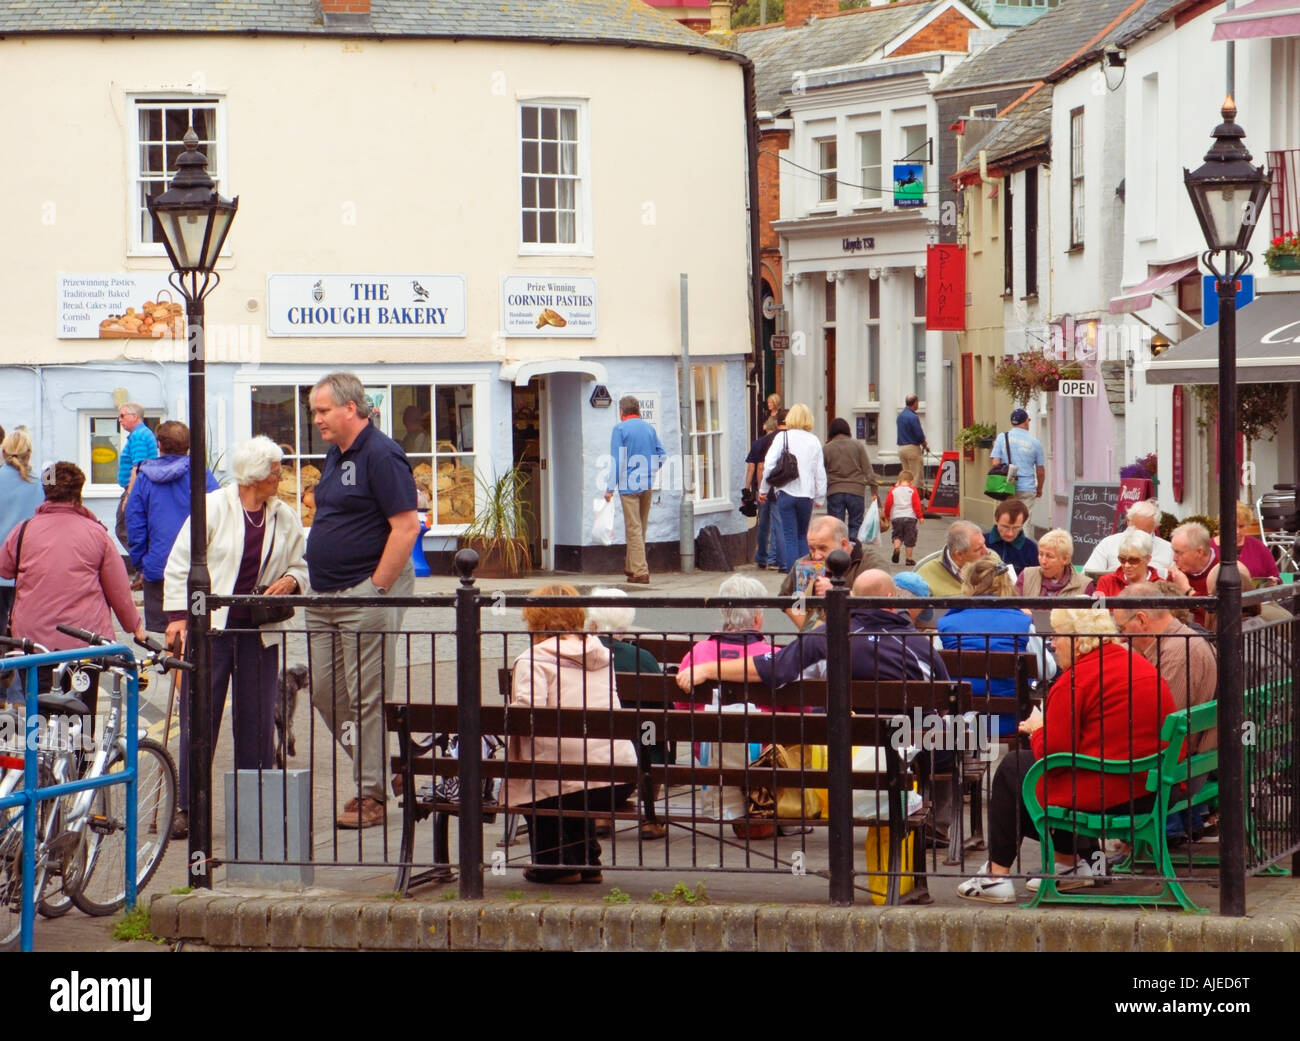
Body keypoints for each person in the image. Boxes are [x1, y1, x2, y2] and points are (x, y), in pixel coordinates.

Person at [956, 608, 1174, 903]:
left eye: (1058, 635)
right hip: (1150, 786)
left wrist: (1037, 729)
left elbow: (1052, 755)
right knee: (1036, 774)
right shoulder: (1134, 663)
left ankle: (996, 875)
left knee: (1014, 768)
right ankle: (1073, 864)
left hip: (1113, 789)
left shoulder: (1077, 680)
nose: (1053, 643)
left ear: (1078, 640)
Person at [163, 437, 308, 839]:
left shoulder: (284, 516)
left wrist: (292, 579)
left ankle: (255, 805)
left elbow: (301, 563)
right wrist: (177, 619)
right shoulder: (212, 507)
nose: (280, 477)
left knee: (257, 720)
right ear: (256, 476)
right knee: (199, 718)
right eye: (276, 471)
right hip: (212, 630)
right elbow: (180, 565)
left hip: (259, 632)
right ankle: (187, 807)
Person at [304, 372, 420, 830]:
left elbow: (407, 526)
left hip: (363, 593)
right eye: (315, 411)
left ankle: (370, 794)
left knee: (366, 697)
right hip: (323, 595)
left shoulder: (383, 453)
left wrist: (377, 590)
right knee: (325, 693)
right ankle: (391, 766)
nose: (317, 420)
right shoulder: (336, 454)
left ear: (350, 408)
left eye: (322, 410)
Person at [504, 585, 638, 884]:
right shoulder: (601, 654)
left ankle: (554, 863)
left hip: (572, 781)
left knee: (542, 779)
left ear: (535, 620)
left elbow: (527, 717)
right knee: (571, 771)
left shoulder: (533, 658)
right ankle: (587, 860)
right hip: (619, 777)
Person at [0, 463, 146, 712]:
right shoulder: (96, 533)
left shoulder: (23, 531)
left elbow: (4, 569)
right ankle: (78, 751)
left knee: (41, 714)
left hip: (34, 641)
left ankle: (44, 749)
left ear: (46, 492)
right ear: (79, 492)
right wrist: (136, 628)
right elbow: (119, 590)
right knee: (80, 715)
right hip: (84, 641)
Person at [676, 569, 949, 693]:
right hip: (908, 748)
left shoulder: (828, 637)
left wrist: (708, 669)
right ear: (891, 599)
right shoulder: (919, 646)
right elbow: (946, 697)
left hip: (841, 748)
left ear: (853, 597)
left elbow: (772, 668)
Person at [936, 556, 1055, 737]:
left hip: (960, 718)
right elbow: (1047, 670)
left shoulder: (946, 624)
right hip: (1011, 717)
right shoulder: (1022, 622)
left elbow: (937, 672)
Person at [126, 420, 219, 633]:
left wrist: (142, 563)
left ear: (159, 444)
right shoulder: (201, 474)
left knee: (169, 634)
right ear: (188, 445)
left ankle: (176, 665)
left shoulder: (144, 478)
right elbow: (218, 514)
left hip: (160, 567)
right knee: (199, 629)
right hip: (197, 567)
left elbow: (135, 523)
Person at [779, 515, 885, 631]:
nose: (816, 556)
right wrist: (812, 630)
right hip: (820, 640)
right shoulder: (807, 565)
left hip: (862, 636)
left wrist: (838, 593)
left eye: (823, 548)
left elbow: (883, 602)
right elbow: (788, 600)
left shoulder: (870, 562)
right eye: (812, 548)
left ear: (844, 545)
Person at [604, 395, 666, 585]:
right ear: (637, 410)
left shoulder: (620, 429)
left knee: (633, 528)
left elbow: (618, 460)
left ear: (621, 412)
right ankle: (631, 567)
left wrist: (609, 488)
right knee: (640, 527)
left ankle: (640, 572)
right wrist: (650, 470)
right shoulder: (649, 428)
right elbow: (662, 455)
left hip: (628, 485)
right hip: (647, 484)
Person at [759, 402, 826, 573]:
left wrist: (763, 490)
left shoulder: (782, 437)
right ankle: (805, 580)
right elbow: (820, 471)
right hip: (806, 495)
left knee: (789, 536)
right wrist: (820, 496)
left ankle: (792, 577)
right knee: (802, 536)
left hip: (786, 492)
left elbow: (769, 465)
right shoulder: (814, 440)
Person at [0, 429, 44, 635]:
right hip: (31, 569)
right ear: (29, 454)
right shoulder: (43, 483)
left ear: (3, 453)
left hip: (1, 569)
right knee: (25, 632)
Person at [1082, 500, 1173, 576]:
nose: (1139, 537)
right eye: (1136, 530)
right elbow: (1088, 576)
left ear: (1155, 527)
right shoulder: (1109, 544)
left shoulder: (1169, 550)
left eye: (1145, 533)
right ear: (1128, 520)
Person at [823, 417, 879, 539]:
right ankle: (852, 551)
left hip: (835, 491)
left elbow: (821, 472)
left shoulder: (827, 448)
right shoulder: (858, 445)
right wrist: (874, 490)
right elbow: (867, 469)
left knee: (837, 527)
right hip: (856, 491)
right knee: (855, 525)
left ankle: (839, 554)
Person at [114, 402, 158, 557]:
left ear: (134, 416)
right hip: (141, 490)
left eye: (122, 416)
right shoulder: (141, 434)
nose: (119, 419)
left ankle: (144, 565)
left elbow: (138, 468)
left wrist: (129, 495)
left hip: (136, 490)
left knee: (123, 530)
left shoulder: (139, 436)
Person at [989, 408, 1045, 513]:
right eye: (1029, 420)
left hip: (1008, 485)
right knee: (1024, 520)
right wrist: (1039, 489)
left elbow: (995, 463)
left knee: (1009, 518)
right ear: (1025, 421)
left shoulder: (1002, 437)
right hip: (1027, 487)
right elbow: (1040, 471)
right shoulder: (1035, 443)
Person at [745, 417, 782, 569]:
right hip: (777, 487)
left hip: (762, 488)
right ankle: (773, 558)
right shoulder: (779, 441)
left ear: (766, 426)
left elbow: (752, 468)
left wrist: (748, 488)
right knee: (776, 524)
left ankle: (761, 557)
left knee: (763, 524)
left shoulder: (758, 443)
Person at [916, 520, 988, 598]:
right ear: (959, 554)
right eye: (978, 549)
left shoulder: (993, 559)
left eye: (984, 544)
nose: (986, 551)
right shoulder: (924, 577)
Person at [1167, 521, 1219, 626]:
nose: (1174, 558)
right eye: (1173, 552)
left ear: (1199, 552)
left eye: (1179, 553)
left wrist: (1188, 591)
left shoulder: (1221, 573)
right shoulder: (1178, 574)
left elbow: (1218, 617)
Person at [1214, 502, 1280, 584]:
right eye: (1232, 526)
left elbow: (1276, 576)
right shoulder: (1210, 548)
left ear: (1248, 525)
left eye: (1241, 526)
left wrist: (1272, 582)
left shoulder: (1258, 547)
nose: (1237, 531)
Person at [1015, 529, 1092, 598]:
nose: (1043, 561)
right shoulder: (1026, 576)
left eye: (1049, 556)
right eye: (1041, 554)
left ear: (1065, 559)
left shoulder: (1084, 586)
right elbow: (1013, 608)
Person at [1094, 528, 1161, 598]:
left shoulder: (1161, 586)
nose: (1127, 565)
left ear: (1147, 559)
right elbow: (1097, 608)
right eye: (1122, 559)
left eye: (1133, 560)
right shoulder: (1106, 582)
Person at [884, 469, 924, 566]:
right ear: (911, 481)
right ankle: (909, 559)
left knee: (897, 535)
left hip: (897, 517)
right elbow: (916, 505)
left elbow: (888, 504)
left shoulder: (894, 490)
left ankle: (897, 548)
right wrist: (920, 516)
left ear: (899, 479)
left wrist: (887, 515)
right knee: (910, 538)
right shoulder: (912, 490)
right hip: (910, 517)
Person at [986, 499, 1038, 573]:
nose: (1010, 533)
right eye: (1005, 527)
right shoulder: (982, 543)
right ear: (996, 520)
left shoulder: (1031, 548)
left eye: (1016, 528)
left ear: (1023, 524)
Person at [895, 393, 928, 498]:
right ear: (915, 403)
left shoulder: (900, 416)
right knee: (916, 477)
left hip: (901, 449)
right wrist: (925, 445)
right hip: (912, 449)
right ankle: (914, 501)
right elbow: (919, 434)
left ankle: (905, 498)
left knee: (906, 476)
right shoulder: (913, 417)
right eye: (917, 402)